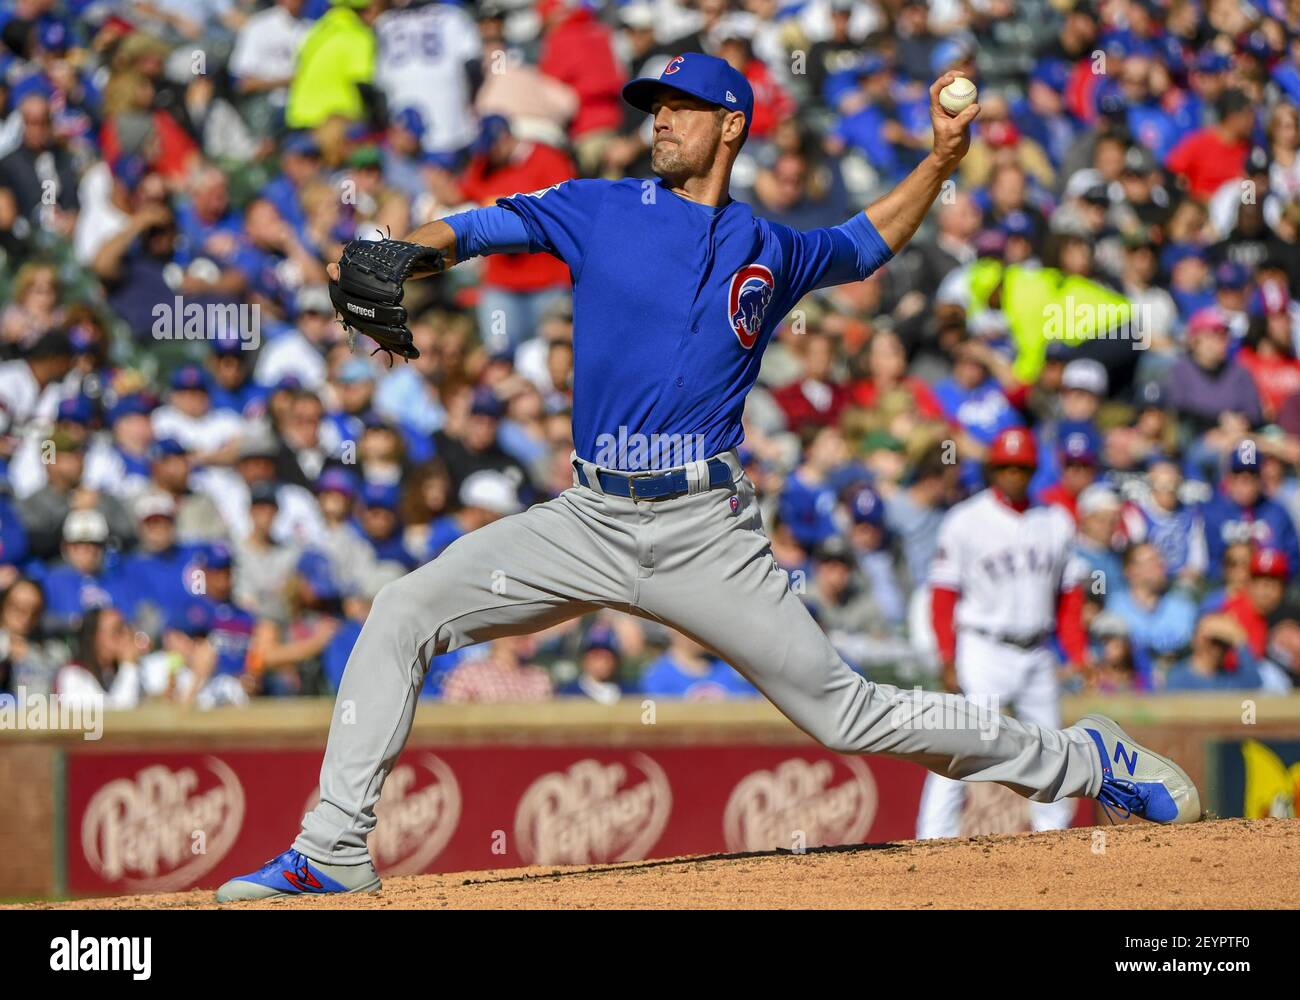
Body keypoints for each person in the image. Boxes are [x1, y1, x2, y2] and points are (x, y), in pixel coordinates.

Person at [217, 55, 1201, 903]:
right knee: (401, 608)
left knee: (845, 711)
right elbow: (476, 228)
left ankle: (1086, 759)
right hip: (587, 516)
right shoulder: (601, 205)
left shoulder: (766, 243)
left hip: (703, 531)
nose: (662, 121)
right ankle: (333, 847)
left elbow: (864, 244)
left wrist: (942, 160)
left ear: (731, 124)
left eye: (681, 107)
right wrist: (400, 252)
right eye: (654, 107)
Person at [918, 427, 1089, 839]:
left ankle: (1055, 839)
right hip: (983, 646)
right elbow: (943, 596)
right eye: (1006, 466)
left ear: (1032, 471)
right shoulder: (965, 520)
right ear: (994, 469)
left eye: (1022, 466)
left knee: (1051, 748)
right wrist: (947, 655)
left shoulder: (1055, 521)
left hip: (1036, 650)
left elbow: (1069, 596)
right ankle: (931, 840)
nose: (1013, 473)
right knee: (965, 745)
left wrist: (1077, 653)